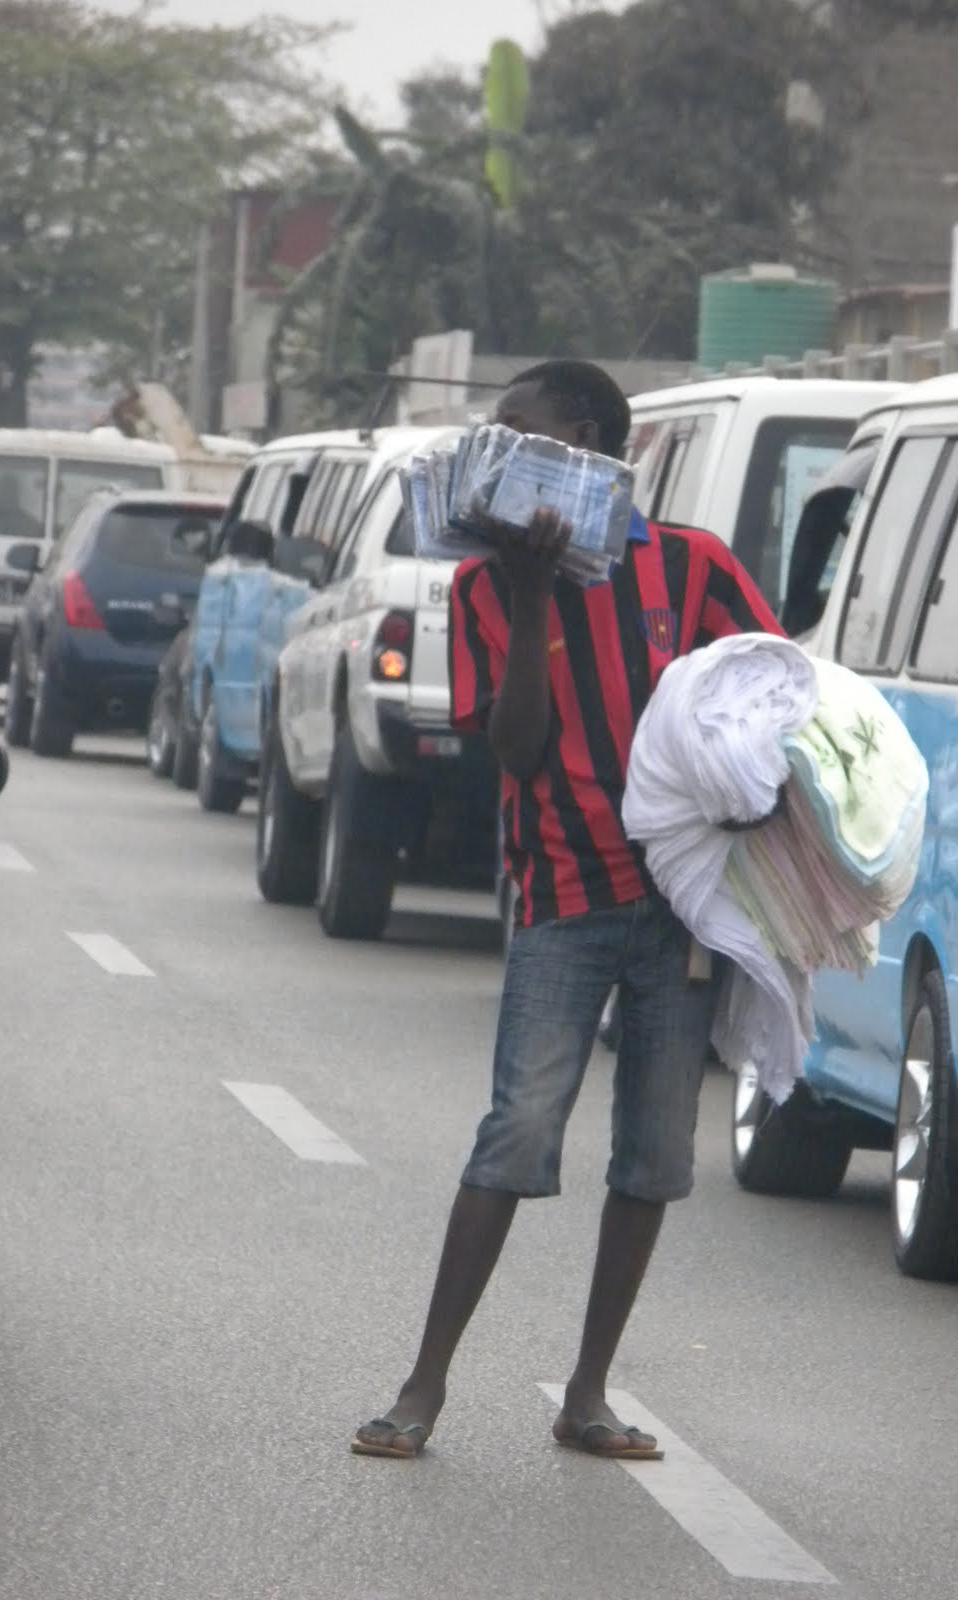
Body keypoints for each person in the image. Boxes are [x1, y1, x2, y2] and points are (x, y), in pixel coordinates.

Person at [353, 360, 782, 1462]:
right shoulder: (488, 589)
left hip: (684, 910)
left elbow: (778, 706)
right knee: (519, 1128)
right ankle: (423, 1385)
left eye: (518, 436)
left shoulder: (692, 568)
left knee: (653, 1152)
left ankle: (586, 1391)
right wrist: (537, 603)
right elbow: (514, 748)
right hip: (561, 893)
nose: (494, 460)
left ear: (586, 446)